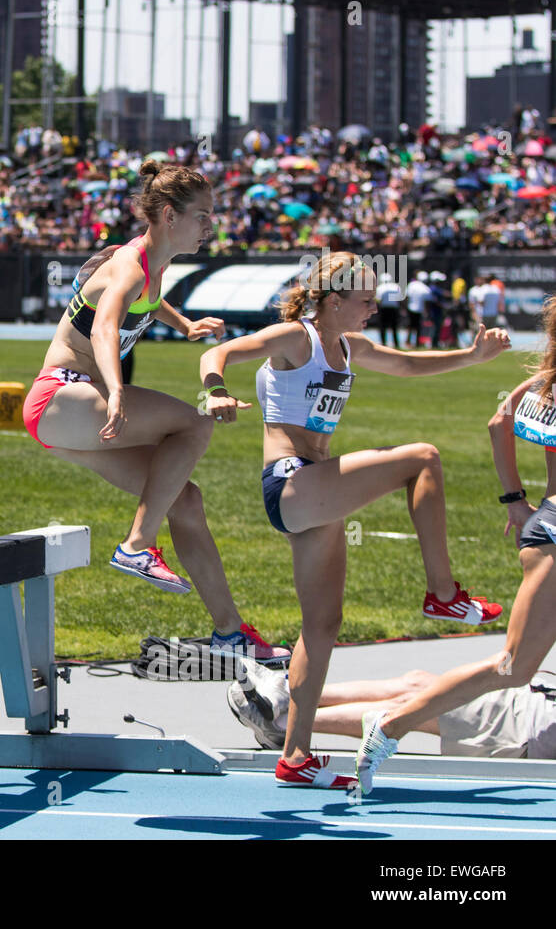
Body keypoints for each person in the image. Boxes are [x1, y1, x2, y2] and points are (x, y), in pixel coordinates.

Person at [200, 249, 511, 787]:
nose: (374, 309)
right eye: (366, 301)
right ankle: (443, 592)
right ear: (335, 300)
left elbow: (408, 363)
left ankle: (294, 756)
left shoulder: (350, 346)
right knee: (423, 456)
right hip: (292, 482)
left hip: (318, 494)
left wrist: (472, 357)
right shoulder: (296, 338)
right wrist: (216, 391)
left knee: (322, 629)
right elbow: (222, 352)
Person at [20, 161, 287, 664]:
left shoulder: (152, 262)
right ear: (169, 215)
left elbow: (150, 298)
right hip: (60, 396)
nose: (211, 227)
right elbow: (104, 328)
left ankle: (229, 633)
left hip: (67, 415)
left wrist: (182, 323)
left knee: (185, 499)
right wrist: (117, 391)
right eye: (203, 217)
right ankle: (138, 545)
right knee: (194, 421)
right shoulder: (129, 267)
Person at [356, 295, 556, 791]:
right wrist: (514, 500)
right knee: (514, 666)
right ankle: (390, 726)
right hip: (553, 540)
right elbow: (499, 423)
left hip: (544, 525)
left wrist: (514, 499)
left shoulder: (545, 381)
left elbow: (498, 423)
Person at [228, 657, 555, 760]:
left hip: (530, 727)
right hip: (537, 696)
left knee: (417, 707)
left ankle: (285, 725)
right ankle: (283, 694)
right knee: (418, 683)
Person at [374, 271, 402, 348]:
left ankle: (383, 343)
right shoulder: (395, 286)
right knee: (394, 327)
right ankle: (396, 343)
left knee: (383, 327)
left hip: (384, 309)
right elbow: (399, 299)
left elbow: (378, 300)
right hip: (394, 309)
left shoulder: (380, 288)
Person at [403, 270, 430, 348]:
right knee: (418, 327)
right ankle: (417, 343)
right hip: (420, 310)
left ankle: (408, 342)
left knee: (410, 326)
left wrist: (405, 308)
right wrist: (426, 311)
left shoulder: (411, 285)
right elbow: (426, 301)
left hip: (410, 308)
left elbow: (406, 297)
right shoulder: (425, 288)